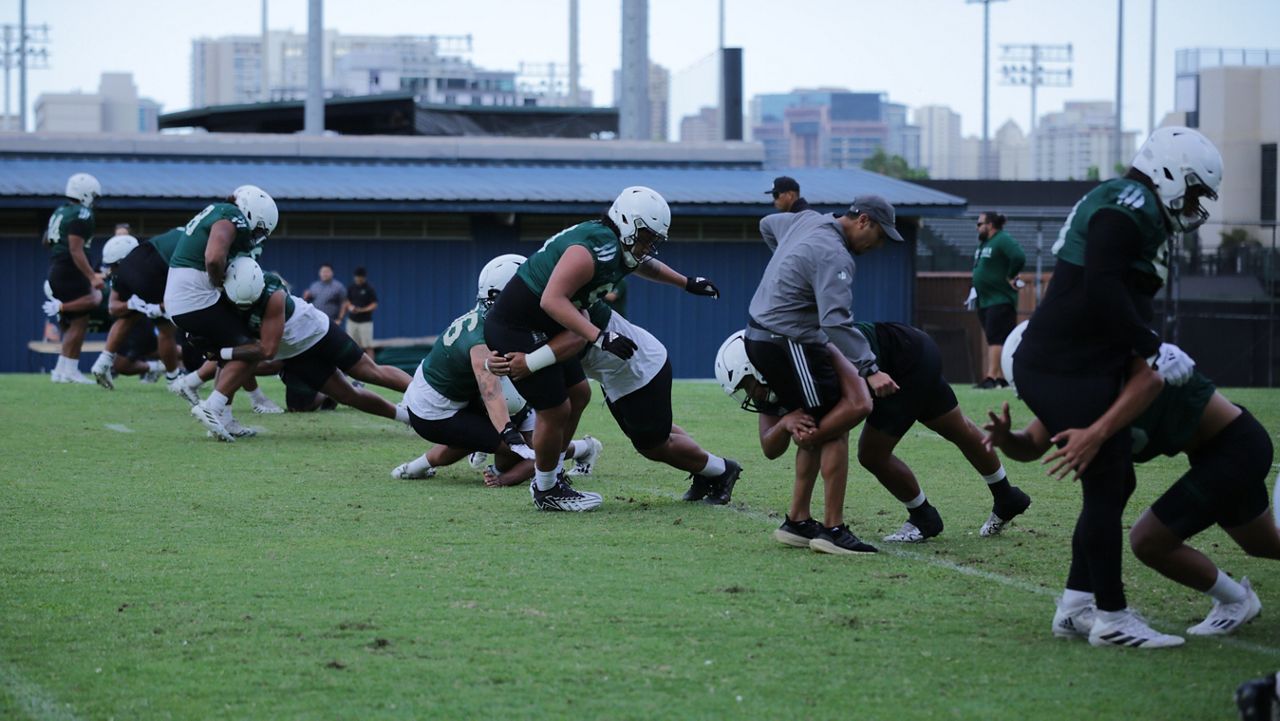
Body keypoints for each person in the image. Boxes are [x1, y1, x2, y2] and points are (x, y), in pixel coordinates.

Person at [1010, 126, 1223, 649]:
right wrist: (1150, 346)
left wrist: (1142, 345)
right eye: (1193, 190)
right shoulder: (1126, 202)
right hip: (1060, 365)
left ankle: (1077, 606)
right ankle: (1110, 617)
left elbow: (1118, 293)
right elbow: (1101, 282)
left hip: (1080, 363)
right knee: (1107, 480)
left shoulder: (1144, 215)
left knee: (1117, 480)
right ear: (1170, 172)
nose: (1195, 205)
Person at [985, 353, 1274, 641]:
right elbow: (1032, 444)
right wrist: (1006, 438)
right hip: (1212, 456)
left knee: (1149, 540)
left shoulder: (1122, 375)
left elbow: (1147, 366)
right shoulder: (1076, 390)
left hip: (1236, 448)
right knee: (1262, 543)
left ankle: (1236, 599)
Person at [483, 186, 720, 512]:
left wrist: (685, 282)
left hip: (540, 325)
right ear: (626, 221)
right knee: (556, 410)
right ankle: (547, 488)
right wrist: (600, 336)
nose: (648, 245)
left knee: (579, 393)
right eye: (646, 236)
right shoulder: (592, 248)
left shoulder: (616, 244)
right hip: (519, 328)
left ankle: (551, 477)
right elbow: (552, 299)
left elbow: (642, 264)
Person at [744, 194, 902, 553]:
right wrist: (871, 369)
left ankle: (798, 521)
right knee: (836, 425)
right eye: (878, 236)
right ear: (863, 220)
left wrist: (790, 268)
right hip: (787, 342)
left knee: (822, 420)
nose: (877, 246)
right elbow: (834, 321)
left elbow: (767, 225)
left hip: (767, 336)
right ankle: (832, 529)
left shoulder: (806, 220)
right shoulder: (834, 254)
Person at [488, 295, 742, 503]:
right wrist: (492, 363)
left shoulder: (560, 306)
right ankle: (704, 470)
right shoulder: (541, 308)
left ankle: (722, 470)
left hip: (637, 370)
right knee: (655, 436)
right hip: (615, 374)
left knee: (653, 446)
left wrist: (529, 362)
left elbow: (572, 367)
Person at [392, 255, 587, 487]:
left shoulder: (497, 320)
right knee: (515, 449)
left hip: (463, 395)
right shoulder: (483, 335)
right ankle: (582, 448)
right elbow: (490, 389)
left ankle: (417, 467)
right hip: (434, 411)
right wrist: (507, 432)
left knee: (519, 439)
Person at [715, 331, 873, 552]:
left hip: (886, 364)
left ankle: (824, 526)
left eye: (749, 386)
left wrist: (812, 432)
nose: (753, 395)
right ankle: (810, 524)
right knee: (819, 426)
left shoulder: (801, 363)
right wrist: (784, 424)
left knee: (835, 429)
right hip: (856, 381)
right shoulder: (776, 380)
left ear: (757, 370)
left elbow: (858, 405)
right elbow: (770, 449)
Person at [223, 258, 412, 433]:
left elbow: (267, 351)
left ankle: (430, 392)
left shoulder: (273, 293)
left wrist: (223, 353)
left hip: (317, 331)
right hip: (294, 353)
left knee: (369, 372)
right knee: (343, 396)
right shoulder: (226, 302)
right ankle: (409, 418)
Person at [164, 185, 279, 440]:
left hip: (183, 297)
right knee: (250, 349)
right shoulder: (229, 214)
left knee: (233, 350)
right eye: (258, 228)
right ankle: (212, 407)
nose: (256, 236)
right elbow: (214, 258)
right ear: (249, 212)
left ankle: (224, 418)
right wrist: (219, 285)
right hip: (194, 297)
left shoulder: (218, 211)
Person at [42, 172, 102, 384]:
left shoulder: (60, 211)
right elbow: (76, 249)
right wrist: (92, 276)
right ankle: (69, 370)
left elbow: (46, 241)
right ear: (85, 193)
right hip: (70, 270)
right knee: (80, 320)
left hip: (56, 267)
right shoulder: (82, 213)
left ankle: (61, 370)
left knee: (69, 322)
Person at [967, 211, 1025, 389]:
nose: (977, 227)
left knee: (996, 339)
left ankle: (991, 377)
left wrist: (1010, 275)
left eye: (979, 224)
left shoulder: (1001, 239)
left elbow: (1018, 256)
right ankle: (1001, 377)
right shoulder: (984, 243)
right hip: (985, 300)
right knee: (996, 338)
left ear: (990, 225)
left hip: (999, 299)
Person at [345, 266, 378, 357]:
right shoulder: (351, 287)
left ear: (364, 277)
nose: (358, 279)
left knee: (368, 345)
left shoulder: (369, 288)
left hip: (365, 321)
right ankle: (352, 367)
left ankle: (372, 367)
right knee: (351, 345)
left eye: (360, 277)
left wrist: (362, 310)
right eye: (357, 277)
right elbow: (347, 300)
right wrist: (351, 307)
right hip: (352, 320)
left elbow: (374, 304)